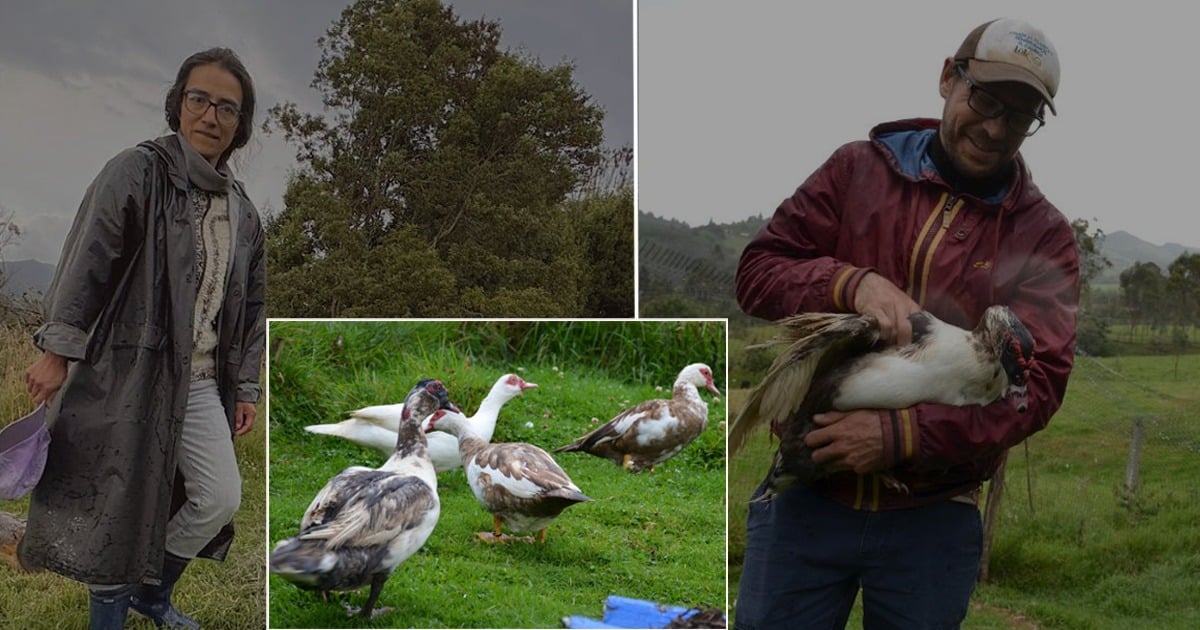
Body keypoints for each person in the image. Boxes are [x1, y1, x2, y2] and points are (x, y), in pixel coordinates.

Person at [733, 18, 1079, 629]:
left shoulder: (1043, 237)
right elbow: (760, 270)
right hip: (807, 502)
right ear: (949, 77)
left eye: (1019, 117)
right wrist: (851, 283)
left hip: (933, 523)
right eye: (985, 100)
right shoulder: (857, 170)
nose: (995, 129)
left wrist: (904, 438)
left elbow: (1039, 386)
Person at [18, 48, 265, 630]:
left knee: (218, 498)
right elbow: (87, 263)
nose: (210, 115)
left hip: (201, 382)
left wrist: (247, 385)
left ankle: (151, 595)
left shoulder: (244, 212)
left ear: (240, 125)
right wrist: (57, 352)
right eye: (199, 99)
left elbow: (251, 305)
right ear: (179, 104)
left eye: (227, 108)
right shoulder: (137, 172)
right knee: (117, 506)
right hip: (123, 375)